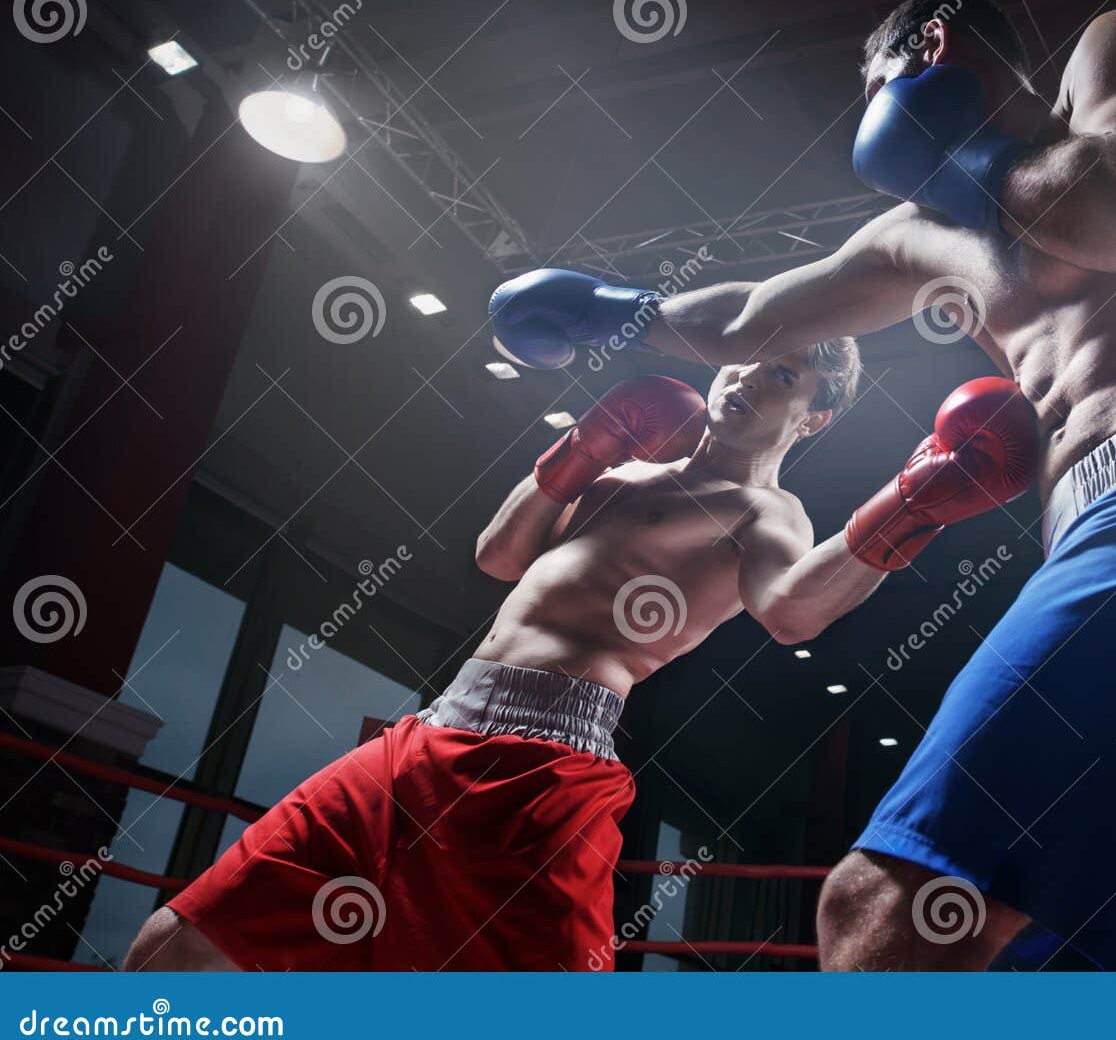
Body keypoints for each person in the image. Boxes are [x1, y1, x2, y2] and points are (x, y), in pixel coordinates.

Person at [487, 0, 1116, 970]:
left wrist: (965, 151)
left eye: (877, 95)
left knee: (884, 912)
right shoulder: (919, 235)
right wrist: (606, 308)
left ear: (930, 53)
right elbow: (753, 319)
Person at [123, 342, 1037, 971]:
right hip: (422, 743)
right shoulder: (626, 470)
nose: (748, 378)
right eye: (747, 357)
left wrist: (913, 503)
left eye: (784, 373)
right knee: (175, 947)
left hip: (543, 776)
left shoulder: (768, 518)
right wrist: (577, 449)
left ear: (819, 413)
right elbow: (499, 555)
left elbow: (793, 613)